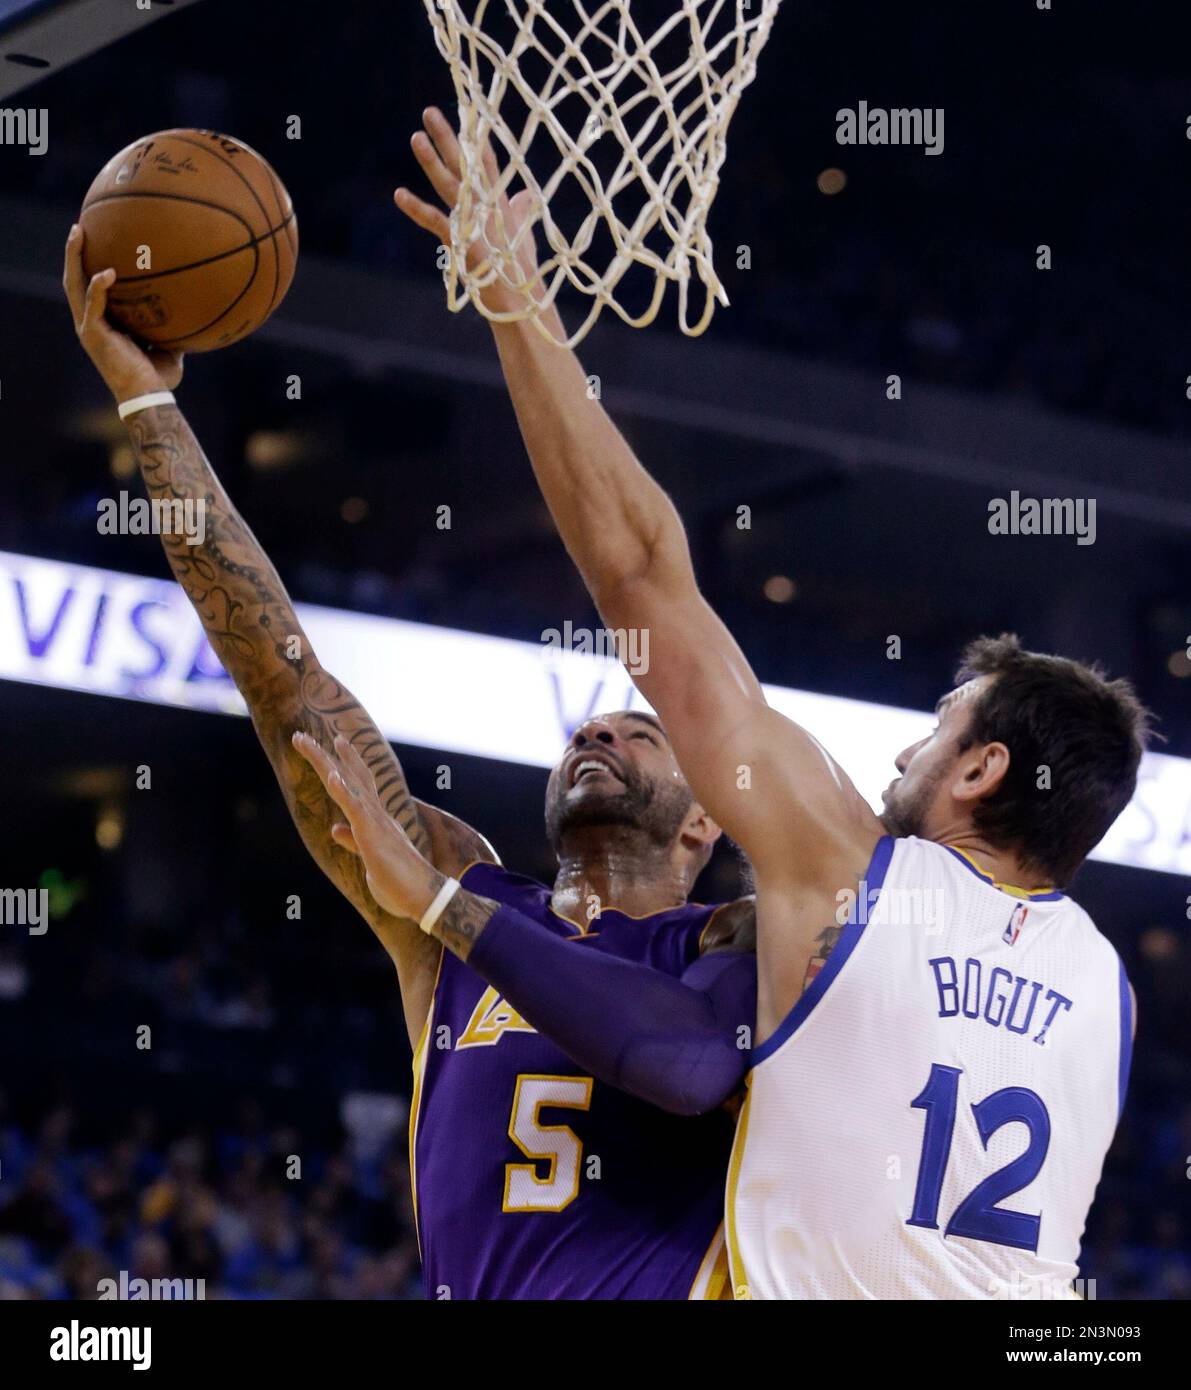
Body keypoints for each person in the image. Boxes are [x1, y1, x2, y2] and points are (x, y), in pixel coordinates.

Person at [392, 108, 1151, 1299]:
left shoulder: (852, 871)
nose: (912, 746)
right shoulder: (1111, 993)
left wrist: (511, 295)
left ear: (984, 768)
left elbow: (640, 576)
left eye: (944, 723)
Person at [63, 225, 754, 1300]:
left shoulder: (722, 949)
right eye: (585, 729)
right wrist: (149, 406)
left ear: (706, 825)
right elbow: (282, 677)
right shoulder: (456, 899)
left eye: (640, 732)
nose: (596, 735)